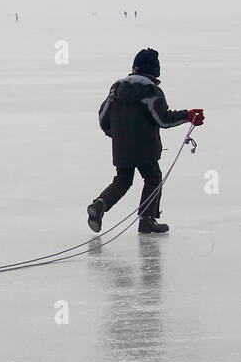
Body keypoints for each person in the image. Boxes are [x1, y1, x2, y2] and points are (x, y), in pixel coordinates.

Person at [87, 48, 203, 234]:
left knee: (123, 180)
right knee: (153, 178)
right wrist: (188, 116)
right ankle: (147, 220)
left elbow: (103, 118)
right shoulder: (151, 91)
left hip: (121, 146)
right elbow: (163, 119)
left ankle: (100, 205)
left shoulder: (116, 88)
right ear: (154, 71)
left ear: (134, 68)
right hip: (145, 148)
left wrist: (117, 135)